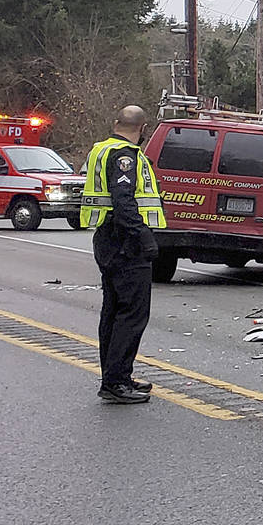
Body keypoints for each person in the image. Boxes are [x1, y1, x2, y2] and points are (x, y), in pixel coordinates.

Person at [80, 105, 168, 403]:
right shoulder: (125, 157)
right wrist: (144, 238)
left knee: (114, 312)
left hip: (107, 238)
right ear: (143, 129)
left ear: (116, 123)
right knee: (131, 315)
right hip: (125, 242)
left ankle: (118, 376)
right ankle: (115, 382)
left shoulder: (102, 149)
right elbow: (124, 202)